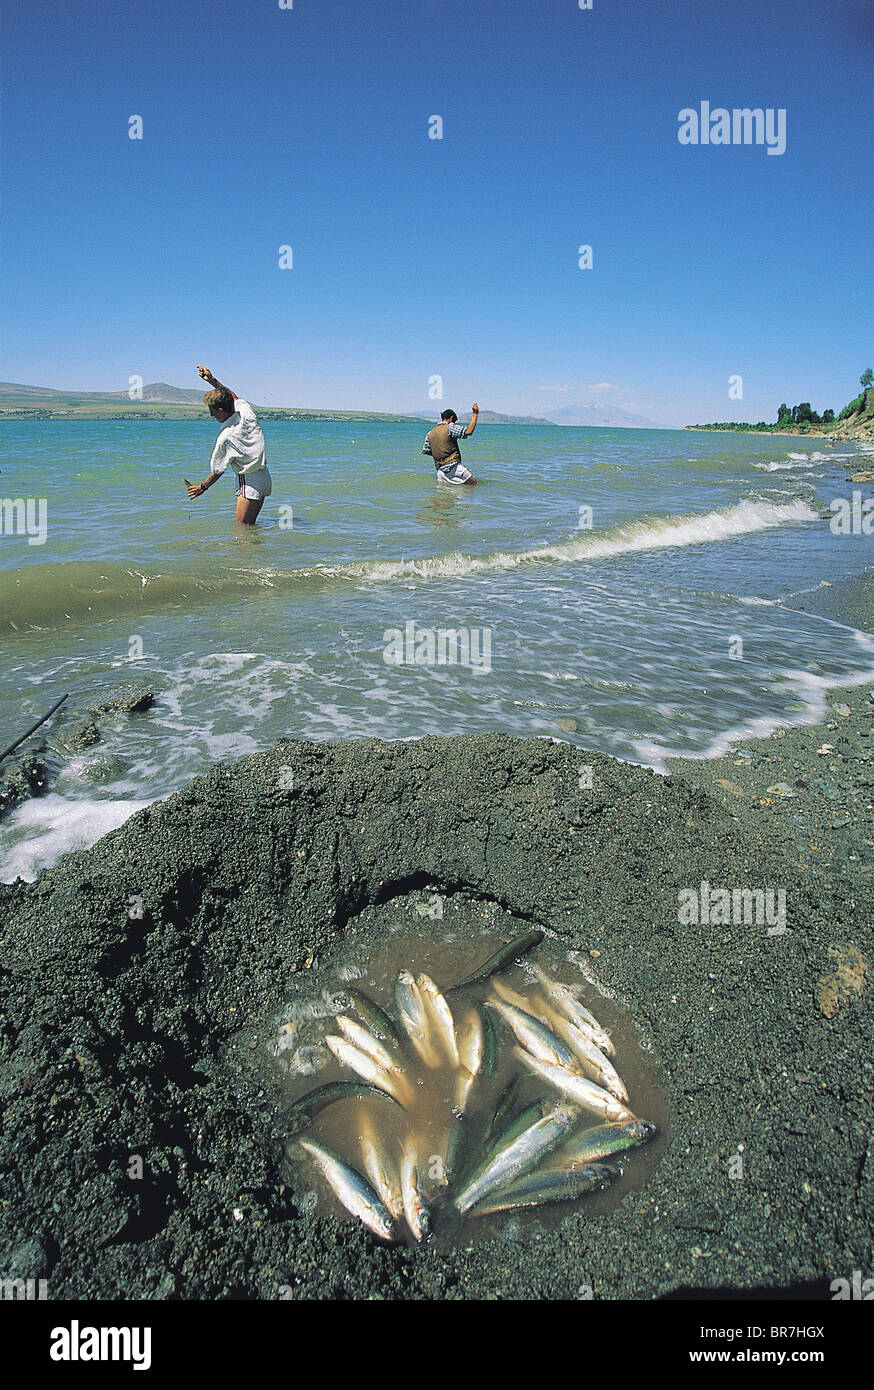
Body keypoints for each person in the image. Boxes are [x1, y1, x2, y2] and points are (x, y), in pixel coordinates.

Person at [187, 366, 272, 524]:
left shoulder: (226, 437)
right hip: (263, 477)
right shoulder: (247, 413)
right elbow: (232, 396)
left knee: (241, 531)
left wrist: (203, 487)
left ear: (221, 411)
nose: (211, 414)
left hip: (249, 482)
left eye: (211, 410)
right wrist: (212, 380)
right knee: (250, 528)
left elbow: (218, 470)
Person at [422, 404, 479, 484]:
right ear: (451, 418)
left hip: (440, 472)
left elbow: (427, 451)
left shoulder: (430, 434)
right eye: (454, 421)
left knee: (445, 495)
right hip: (455, 468)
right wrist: (475, 414)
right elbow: (468, 431)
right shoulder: (450, 427)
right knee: (475, 486)